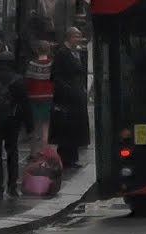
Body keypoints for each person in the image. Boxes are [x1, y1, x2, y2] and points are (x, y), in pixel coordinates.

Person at [0, 51, 30, 199]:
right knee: (12, 152)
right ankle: (12, 186)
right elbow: (24, 102)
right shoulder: (16, 79)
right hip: (12, 119)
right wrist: (29, 124)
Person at [49, 27, 89, 167]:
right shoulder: (62, 53)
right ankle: (65, 159)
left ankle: (72, 158)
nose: (77, 40)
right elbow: (55, 76)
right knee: (66, 130)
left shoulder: (76, 53)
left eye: (79, 37)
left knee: (75, 129)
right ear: (69, 37)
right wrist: (66, 89)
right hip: (66, 98)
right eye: (75, 37)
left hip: (76, 95)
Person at [24, 41, 54, 153]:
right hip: (48, 97)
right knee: (46, 127)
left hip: (33, 98)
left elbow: (28, 82)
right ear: (49, 50)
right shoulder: (52, 64)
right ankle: (44, 150)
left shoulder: (32, 64)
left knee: (35, 127)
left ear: (37, 50)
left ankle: (33, 151)